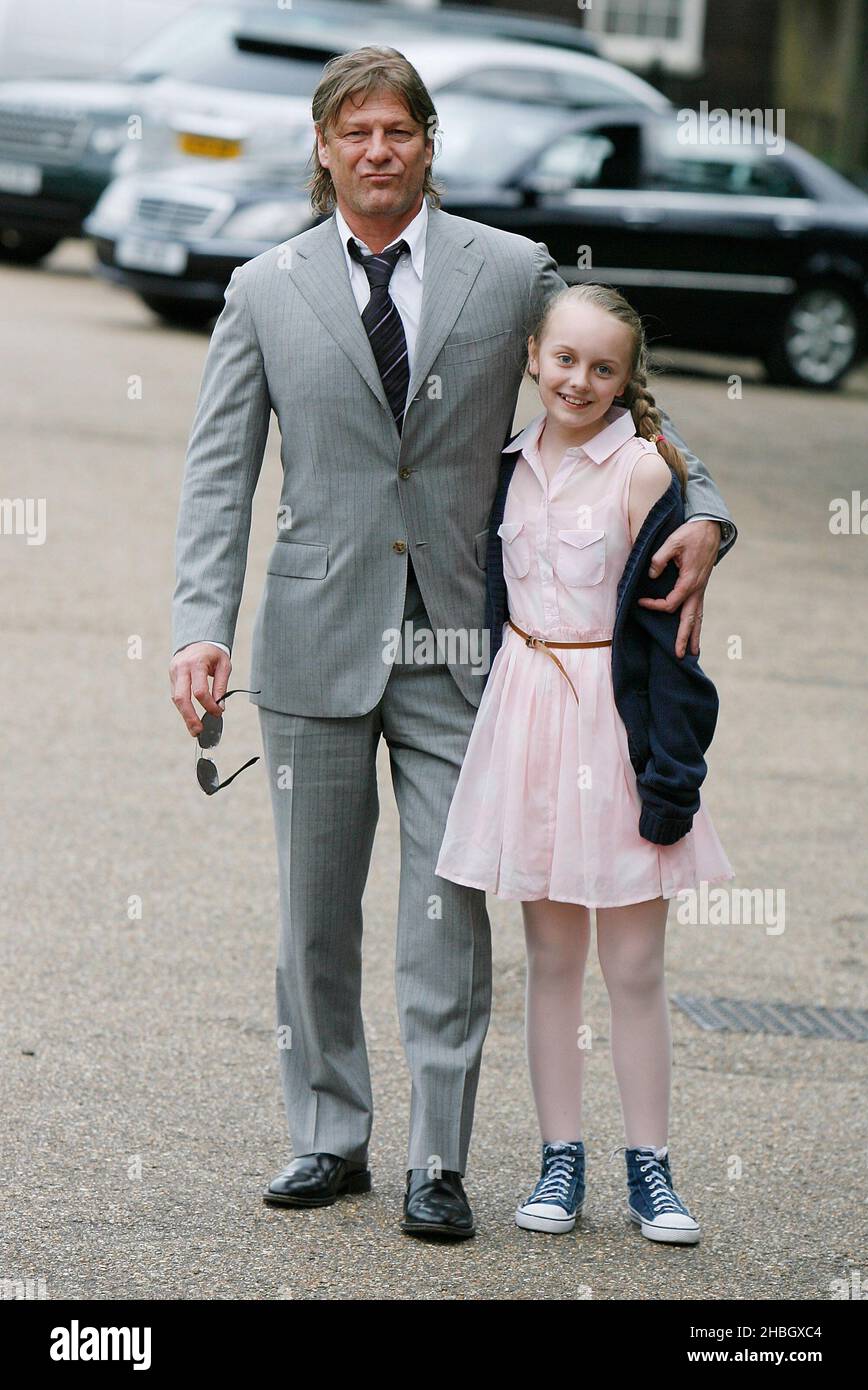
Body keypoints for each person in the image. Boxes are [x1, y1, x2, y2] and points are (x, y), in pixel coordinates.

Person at [168, 45, 737, 1242]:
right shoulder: (262, 288)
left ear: (429, 143)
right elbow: (218, 475)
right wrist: (197, 631)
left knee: (444, 909)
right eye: (354, 132)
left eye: (399, 130)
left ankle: (437, 1159)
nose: (378, 150)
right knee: (312, 915)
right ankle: (328, 1136)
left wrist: (705, 512)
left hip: (464, 646)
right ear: (322, 150)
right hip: (315, 641)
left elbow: (621, 385)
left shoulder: (510, 272)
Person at [435, 283, 735, 1244]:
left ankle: (653, 1169)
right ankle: (558, 1162)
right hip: (526, 714)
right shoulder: (507, 464)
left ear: (626, 379)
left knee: (636, 962)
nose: (580, 380)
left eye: (604, 368)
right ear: (532, 356)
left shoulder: (648, 472)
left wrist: (673, 767)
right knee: (552, 958)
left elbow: (671, 637)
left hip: (616, 721)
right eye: (564, 360)